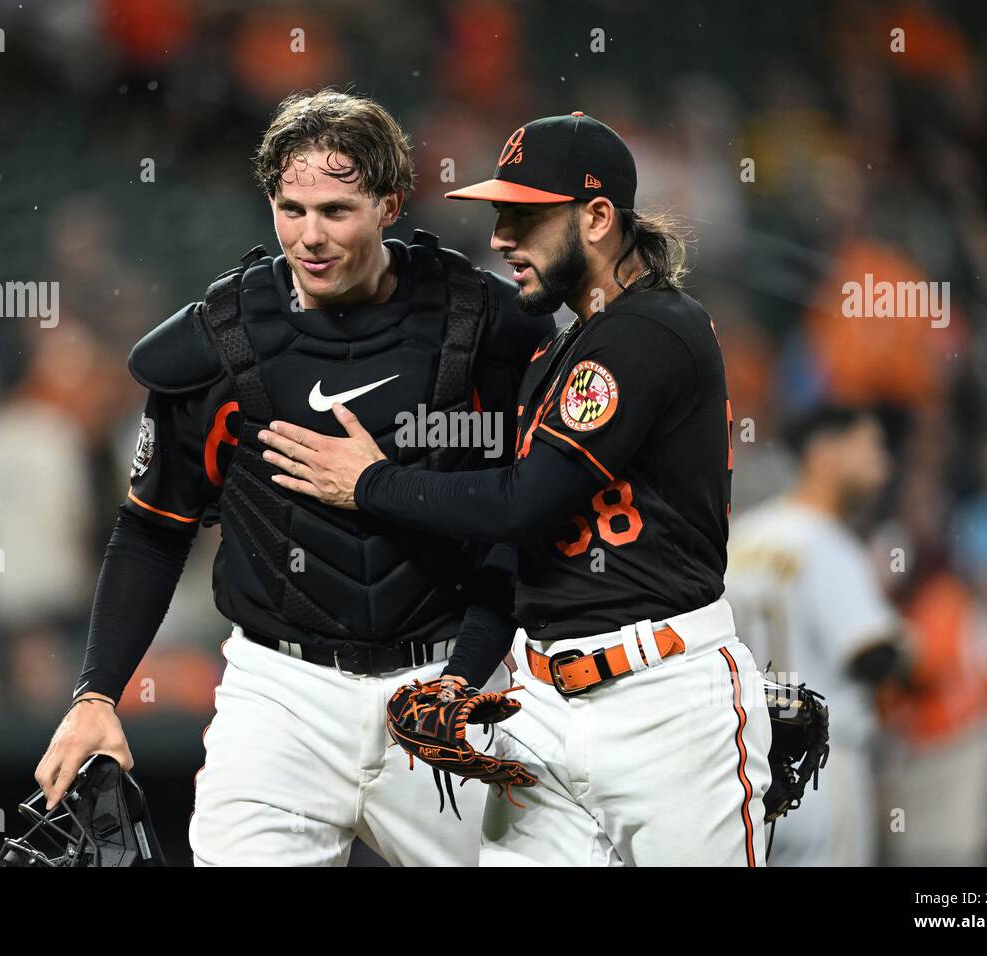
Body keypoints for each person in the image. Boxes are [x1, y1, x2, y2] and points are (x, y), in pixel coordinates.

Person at [33, 89, 554, 866]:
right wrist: (97, 693)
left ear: (389, 203)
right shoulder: (219, 342)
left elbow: (527, 519)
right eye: (290, 208)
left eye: (336, 211)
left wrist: (480, 668)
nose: (310, 236)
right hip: (281, 695)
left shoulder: (483, 327)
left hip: (449, 679)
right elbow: (152, 528)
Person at [260, 112, 772, 866]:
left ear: (598, 218)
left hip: (664, 703)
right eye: (499, 213)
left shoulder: (652, 329)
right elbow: (513, 547)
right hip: (542, 704)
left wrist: (370, 483)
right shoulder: (558, 353)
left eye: (525, 216)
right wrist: (460, 680)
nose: (501, 237)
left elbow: (524, 499)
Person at [724, 404, 908, 865]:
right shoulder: (827, 541)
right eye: (870, 446)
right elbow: (873, 656)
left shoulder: (741, 536)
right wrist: (911, 643)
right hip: (822, 766)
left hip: (743, 763)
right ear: (825, 453)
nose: (883, 466)